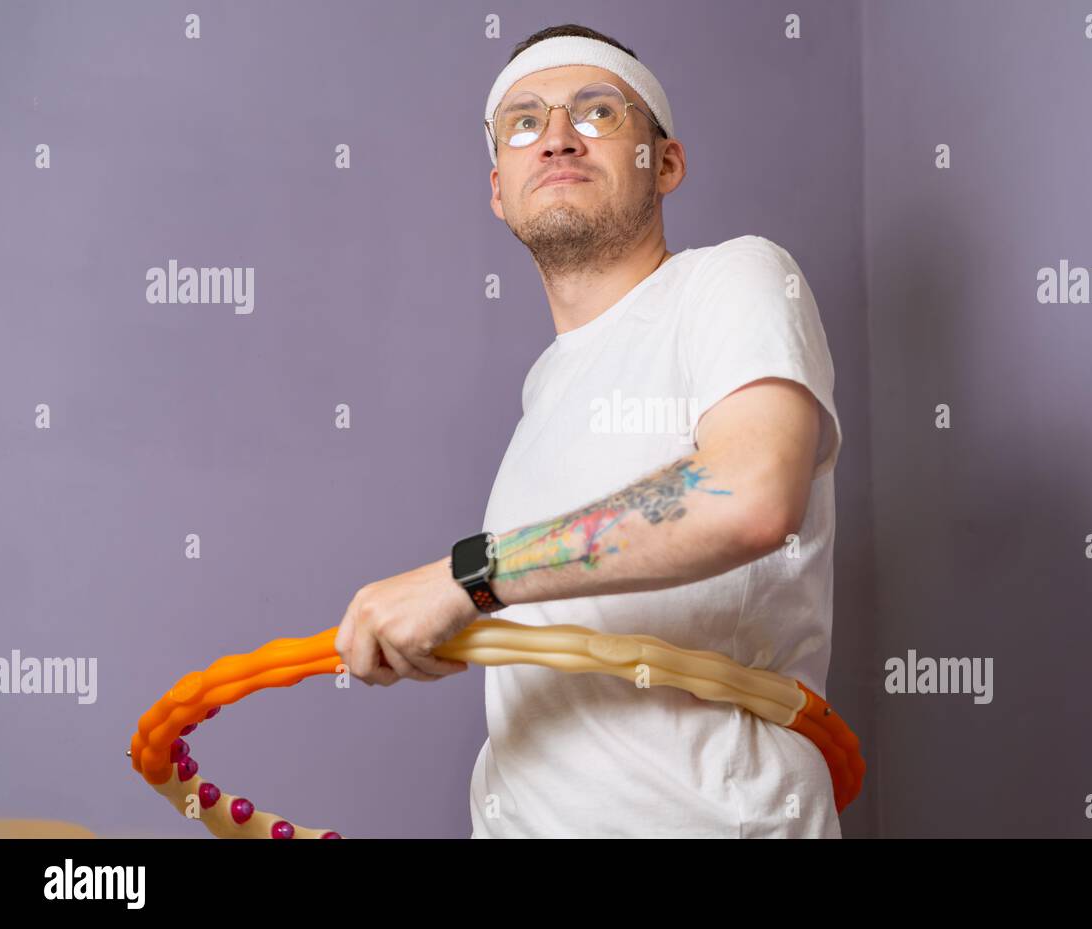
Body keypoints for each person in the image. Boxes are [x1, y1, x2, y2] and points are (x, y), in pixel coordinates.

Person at [335, 23, 845, 838]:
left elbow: (747, 493)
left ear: (666, 163)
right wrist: (462, 623)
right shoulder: (546, 389)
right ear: (498, 186)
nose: (558, 138)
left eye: (599, 111)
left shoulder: (733, 279)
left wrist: (466, 579)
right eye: (525, 121)